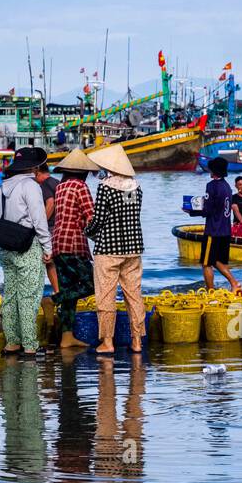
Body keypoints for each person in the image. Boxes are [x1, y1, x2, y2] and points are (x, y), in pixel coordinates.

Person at [88, 143, 147, 355]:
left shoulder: (106, 186)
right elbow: (131, 217)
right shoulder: (136, 187)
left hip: (108, 249)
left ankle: (107, 342)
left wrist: (88, 231)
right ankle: (137, 341)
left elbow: (99, 219)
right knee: (134, 295)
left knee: (106, 296)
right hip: (133, 248)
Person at [0, 147, 53, 357]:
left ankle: (12, 343)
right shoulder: (29, 186)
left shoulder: (4, 186)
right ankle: (30, 345)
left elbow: (1, 216)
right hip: (27, 247)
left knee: (10, 295)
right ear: (33, 167)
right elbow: (39, 220)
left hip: (6, 246)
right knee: (29, 296)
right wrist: (48, 247)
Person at [49, 149, 100, 350]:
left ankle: (67, 337)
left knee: (69, 288)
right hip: (73, 244)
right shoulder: (80, 187)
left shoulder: (60, 186)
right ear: (82, 172)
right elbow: (92, 218)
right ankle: (53, 300)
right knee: (93, 284)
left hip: (58, 243)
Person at [186, 155, 242, 292]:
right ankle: (233, 284)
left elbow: (208, 210)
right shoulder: (227, 187)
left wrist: (191, 212)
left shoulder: (211, 186)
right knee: (218, 261)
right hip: (225, 230)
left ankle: (213, 290)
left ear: (214, 171)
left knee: (206, 263)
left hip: (213, 230)